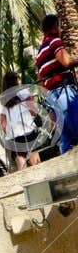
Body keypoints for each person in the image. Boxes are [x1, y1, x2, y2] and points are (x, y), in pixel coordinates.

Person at [36, 14, 78, 152]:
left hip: (54, 98)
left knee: (66, 139)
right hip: (65, 92)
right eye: (59, 25)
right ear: (55, 26)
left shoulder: (40, 53)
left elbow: (40, 83)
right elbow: (66, 61)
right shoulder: (54, 42)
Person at [0, 71, 45, 170]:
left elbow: (3, 125)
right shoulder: (24, 93)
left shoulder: (1, 101)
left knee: (22, 170)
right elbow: (34, 111)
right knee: (37, 166)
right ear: (16, 82)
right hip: (28, 131)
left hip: (15, 137)